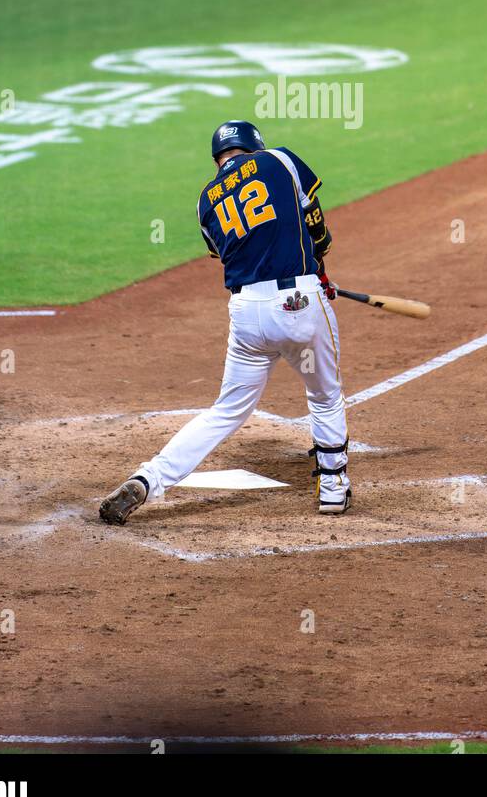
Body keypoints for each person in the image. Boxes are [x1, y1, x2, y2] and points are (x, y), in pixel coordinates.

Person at [99, 119, 352, 525]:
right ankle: (334, 488)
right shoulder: (279, 159)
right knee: (324, 395)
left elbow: (237, 249)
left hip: (247, 312)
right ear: (255, 146)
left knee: (227, 409)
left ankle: (148, 478)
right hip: (299, 302)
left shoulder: (205, 201)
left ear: (219, 158)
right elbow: (315, 224)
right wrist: (318, 271)